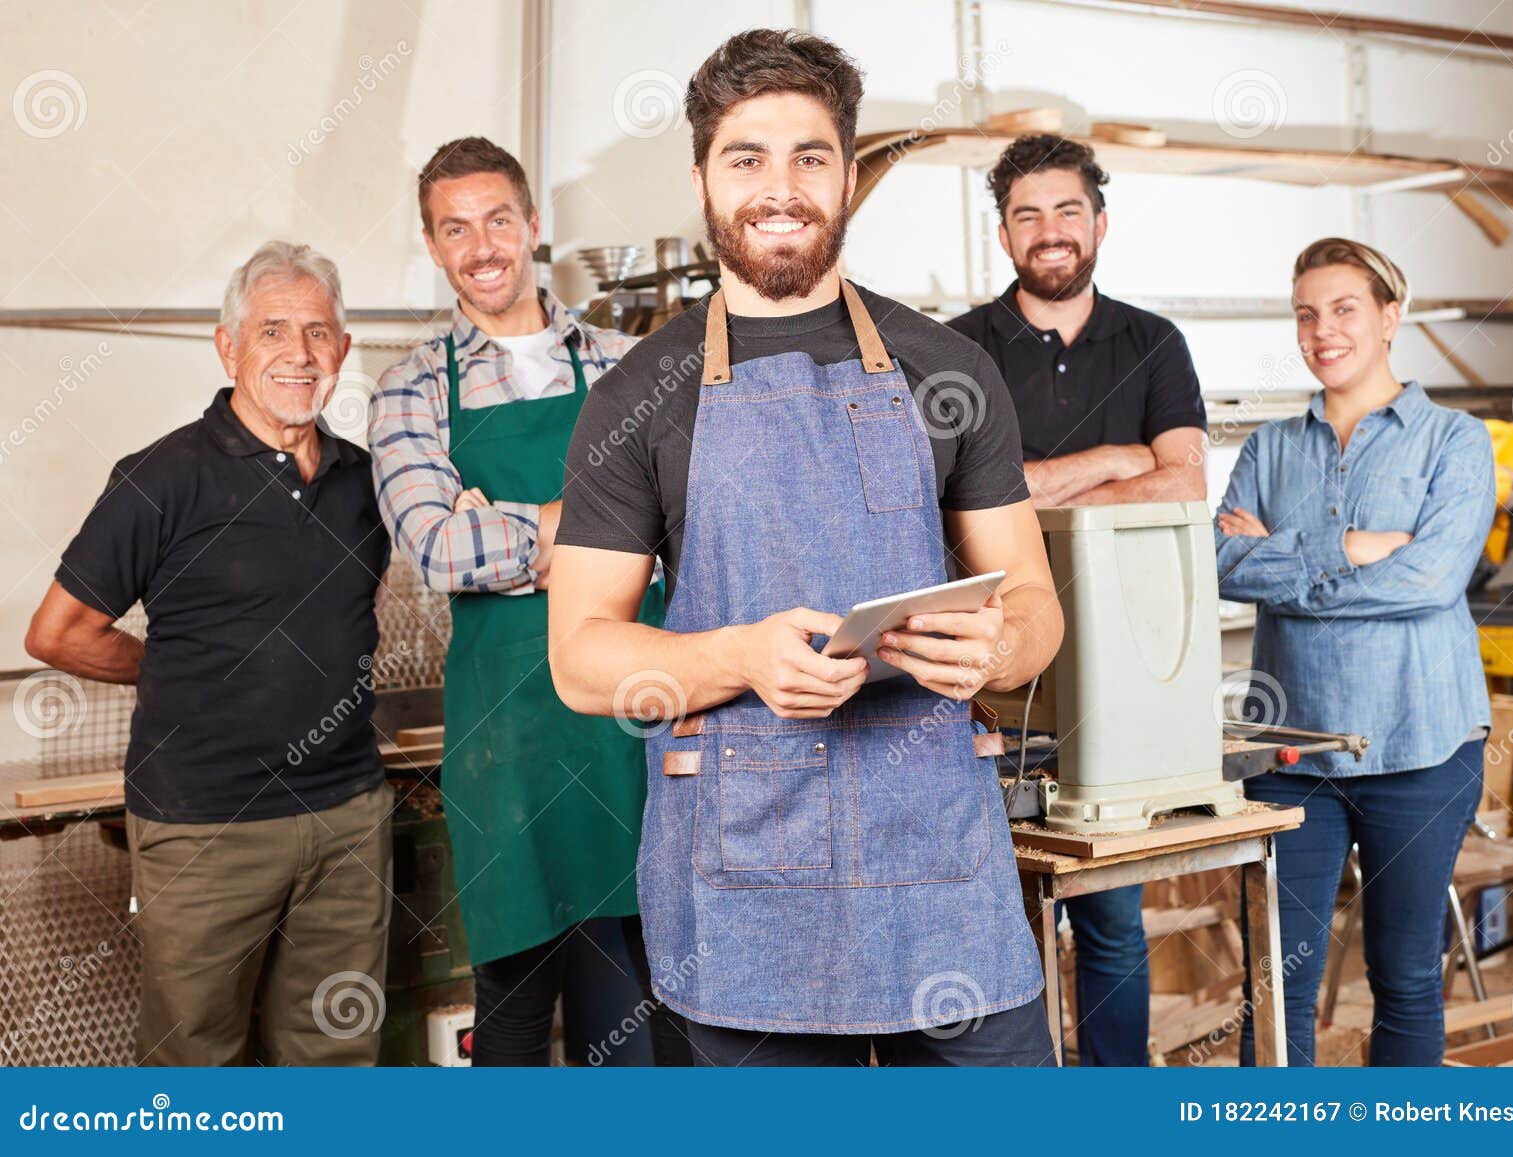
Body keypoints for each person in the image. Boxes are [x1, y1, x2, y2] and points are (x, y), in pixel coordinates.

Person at [548, 29, 1064, 1067]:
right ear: (701, 176)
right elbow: (579, 658)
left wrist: (996, 651)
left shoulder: (944, 366)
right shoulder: (636, 396)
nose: (779, 188)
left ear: (847, 173)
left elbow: (1038, 607)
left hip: (939, 868)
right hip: (746, 886)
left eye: (810, 157)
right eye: (747, 158)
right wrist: (739, 657)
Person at [26, 242, 393, 1066]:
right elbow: (56, 632)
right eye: (272, 331)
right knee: (197, 1063)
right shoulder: (160, 479)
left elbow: (353, 615)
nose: (298, 354)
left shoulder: (366, 481)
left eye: (318, 332)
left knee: (337, 1052)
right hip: (205, 826)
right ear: (228, 348)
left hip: (346, 816)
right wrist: (180, 674)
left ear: (341, 349)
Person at [368, 137, 683, 1066]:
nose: (482, 245)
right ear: (432, 246)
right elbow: (435, 547)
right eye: (455, 228)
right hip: (510, 736)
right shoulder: (411, 386)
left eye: (498, 218)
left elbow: (684, 529)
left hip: (635, 714)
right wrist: (604, 529)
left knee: (644, 989)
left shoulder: (634, 364)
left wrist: (510, 523)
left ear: (533, 226)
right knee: (511, 1000)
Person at [950, 133, 1208, 1067]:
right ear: (1005, 234)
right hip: (985, 668)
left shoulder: (1155, 343)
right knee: (986, 920)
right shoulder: (958, 348)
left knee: (1109, 920)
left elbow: (1183, 484)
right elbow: (952, 497)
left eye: (1067, 210)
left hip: (1122, 673)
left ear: (1098, 223)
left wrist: (1023, 488)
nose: (1049, 230)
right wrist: (1112, 458)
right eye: (1027, 214)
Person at [1215, 237, 1495, 1065]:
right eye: (1306, 313)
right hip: (1292, 751)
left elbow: (1432, 580)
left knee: (1404, 976)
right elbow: (1224, 565)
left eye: (1343, 309)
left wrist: (1290, 559)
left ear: (1388, 319)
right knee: (1274, 980)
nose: (1322, 329)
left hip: (1421, 746)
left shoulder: (1456, 441)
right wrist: (1359, 546)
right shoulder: (1269, 448)